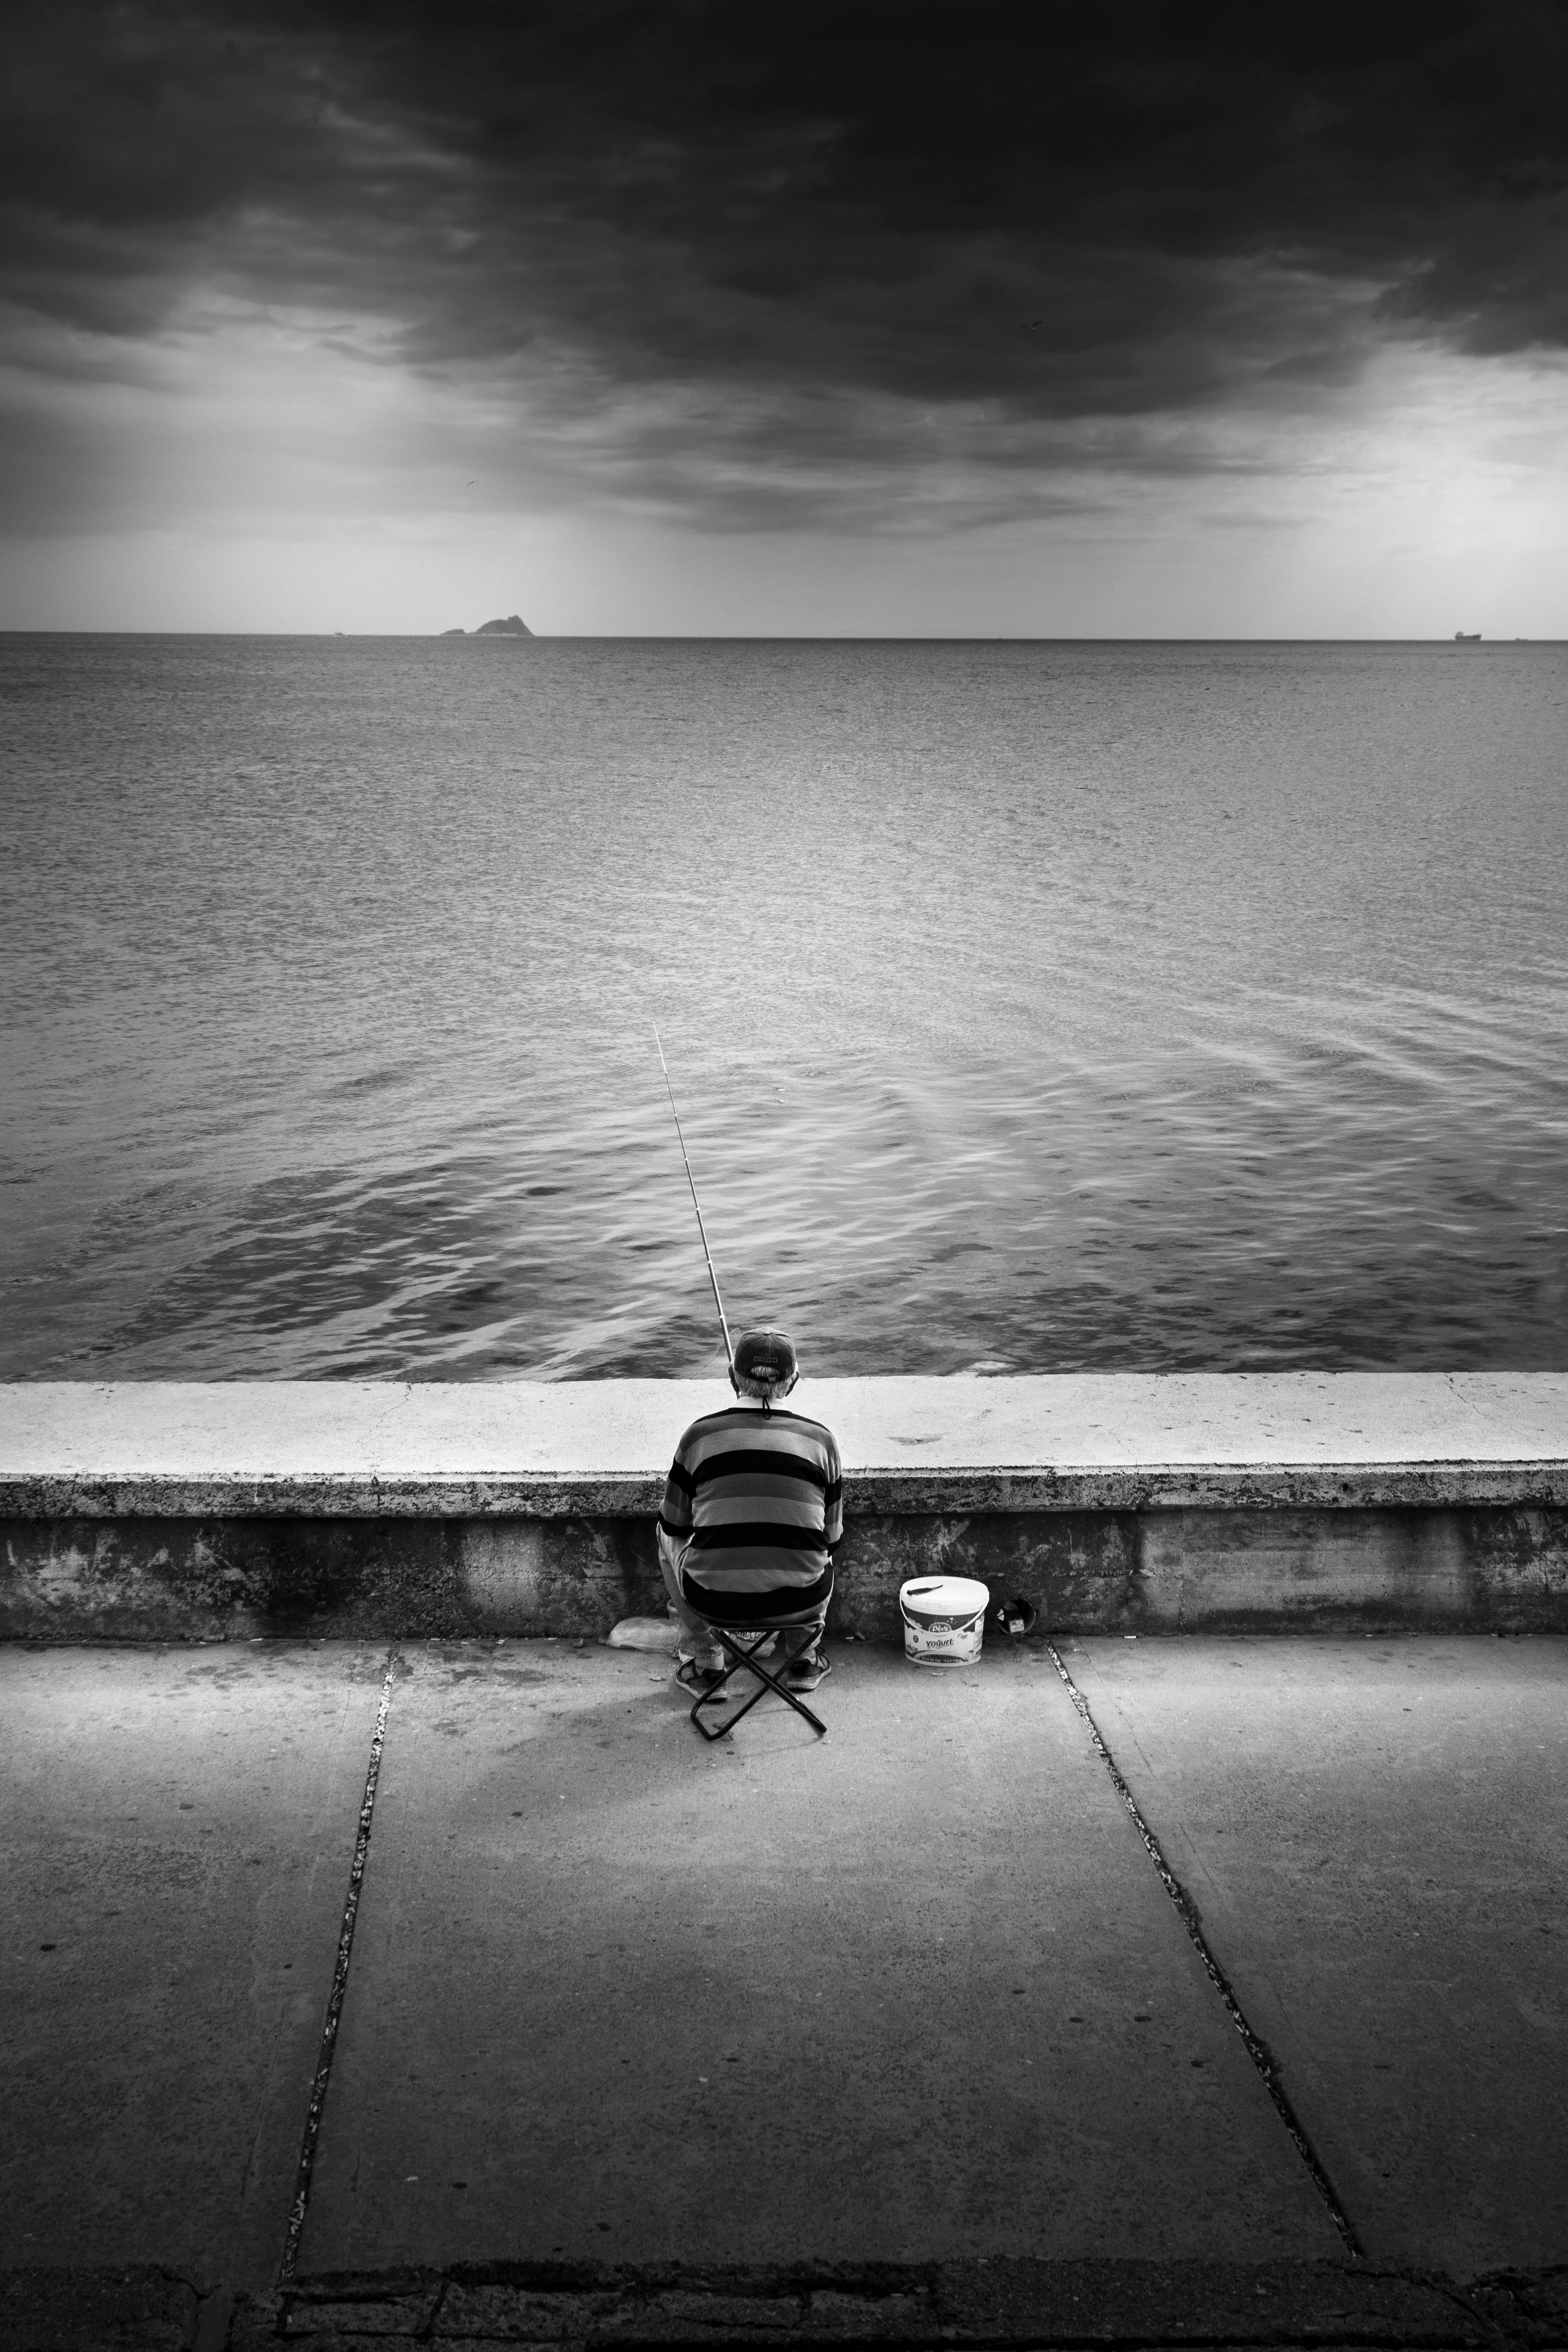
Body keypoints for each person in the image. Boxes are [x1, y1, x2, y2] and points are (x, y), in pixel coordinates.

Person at [657, 1327, 842, 1695]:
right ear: (792, 1382)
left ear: (732, 1377)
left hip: (714, 1603)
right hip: (800, 1604)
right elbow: (833, 1538)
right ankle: (803, 1661)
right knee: (819, 1546)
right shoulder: (820, 1441)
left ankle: (708, 1663)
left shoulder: (700, 1436)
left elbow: (673, 1522)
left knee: (661, 1533)